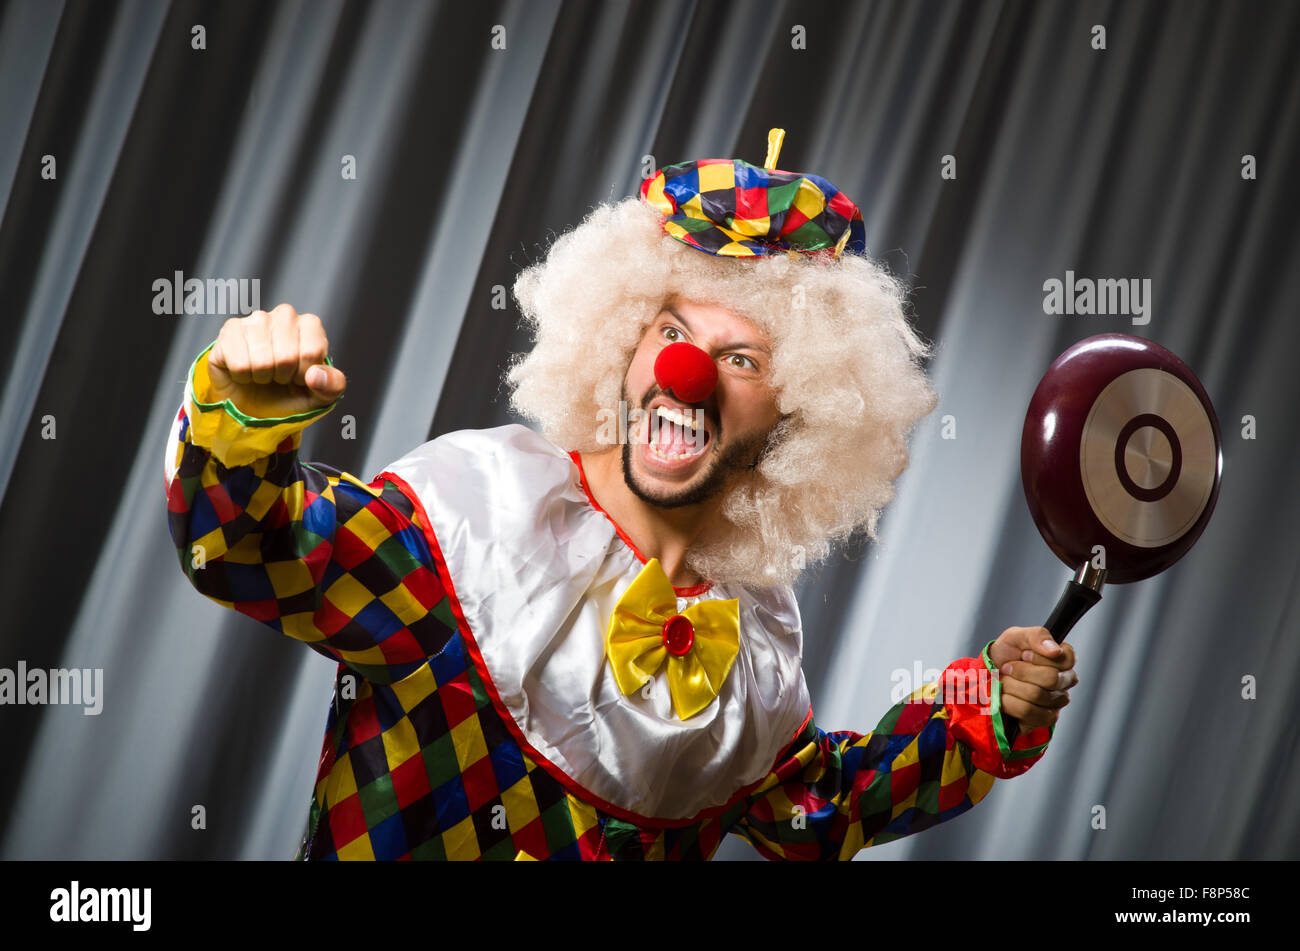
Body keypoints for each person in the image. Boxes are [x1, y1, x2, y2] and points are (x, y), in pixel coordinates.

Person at [164, 130, 1077, 861]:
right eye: (674, 329)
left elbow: (819, 811)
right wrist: (241, 418)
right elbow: (253, 550)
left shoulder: (753, 648)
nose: (686, 374)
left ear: (796, 420)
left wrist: (981, 703)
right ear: (626, 341)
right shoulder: (473, 524)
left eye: (744, 359)